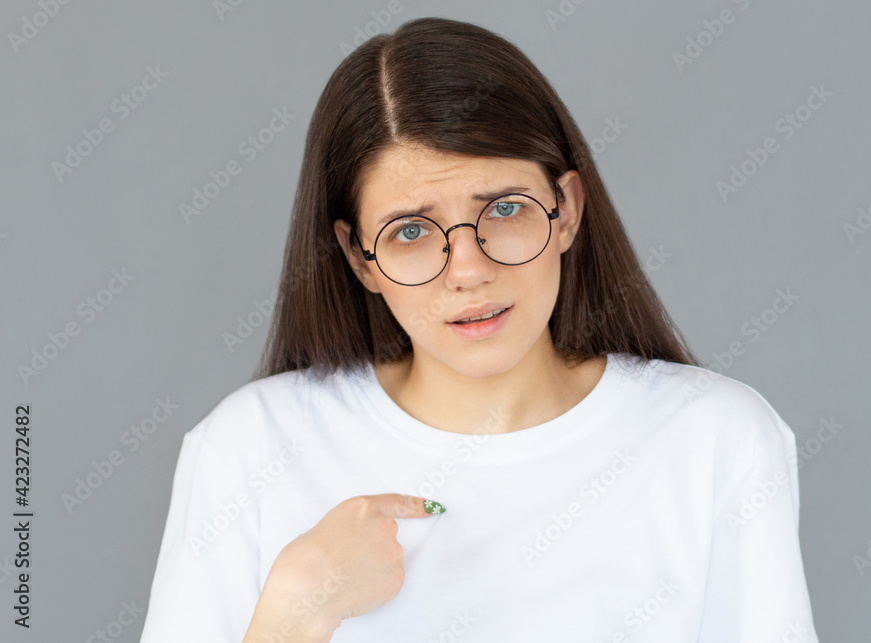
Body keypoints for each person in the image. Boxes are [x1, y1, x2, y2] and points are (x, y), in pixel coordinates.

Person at [139, 16, 819, 643]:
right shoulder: (251, 448)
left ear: (566, 211)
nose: (468, 270)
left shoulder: (713, 441)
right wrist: (295, 608)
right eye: (410, 230)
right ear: (358, 258)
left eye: (504, 209)